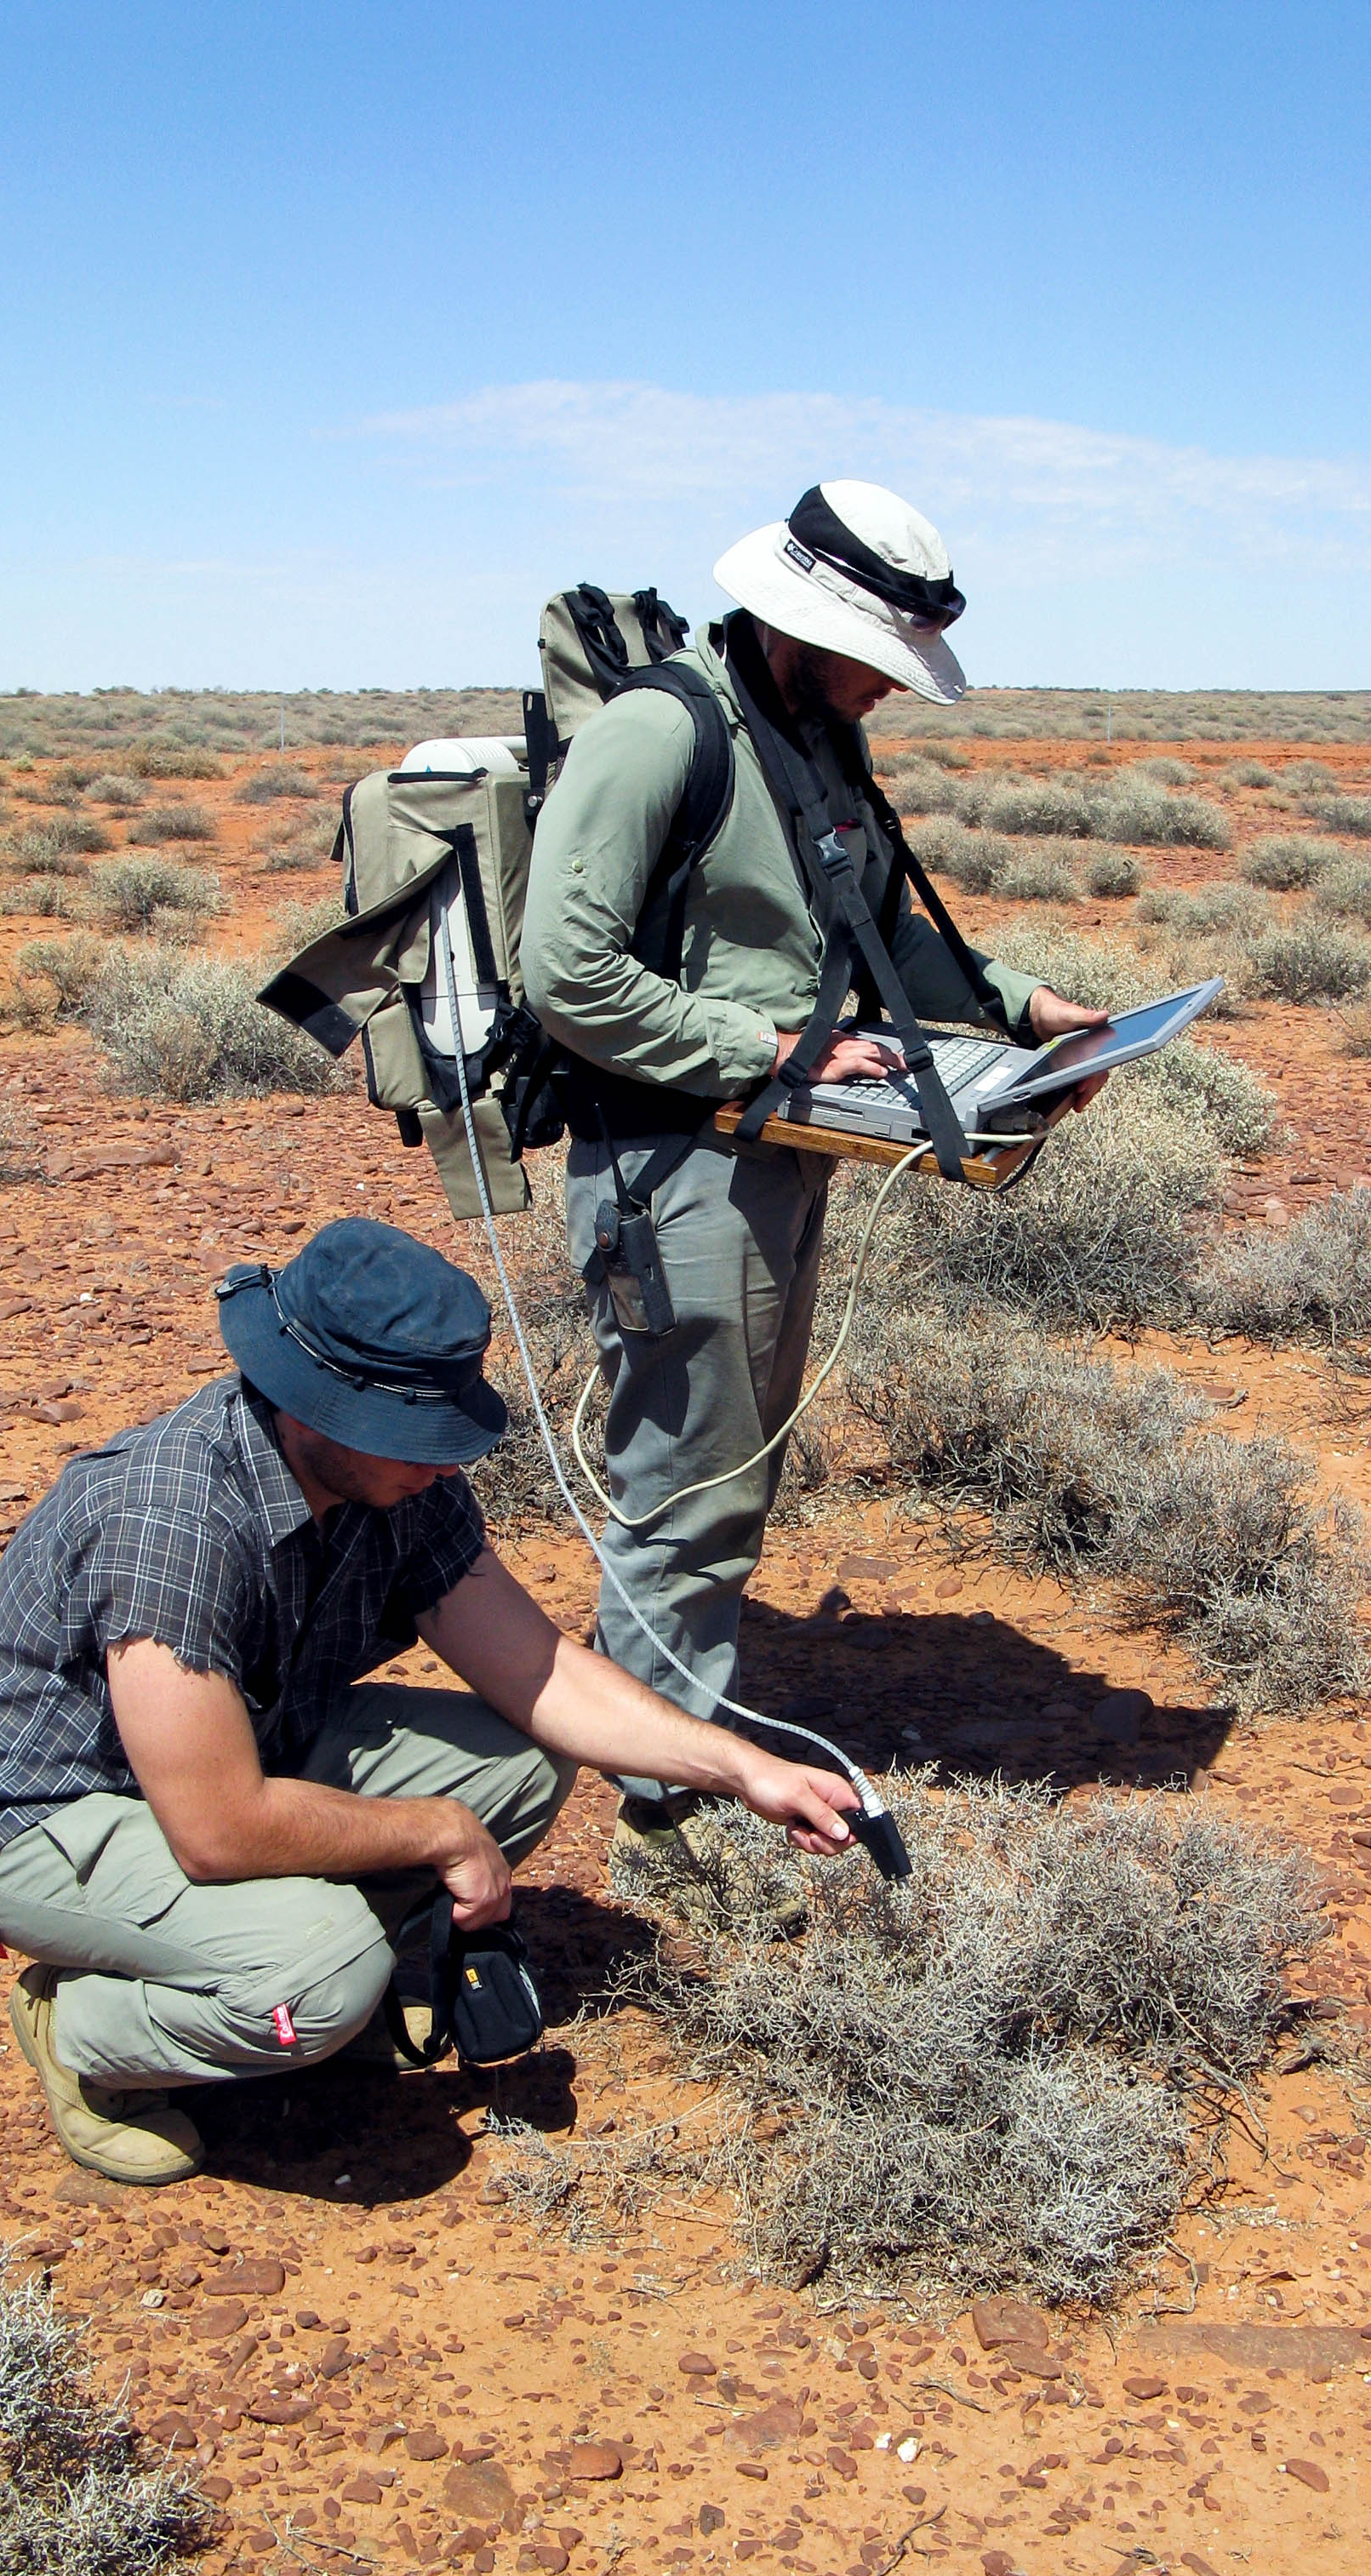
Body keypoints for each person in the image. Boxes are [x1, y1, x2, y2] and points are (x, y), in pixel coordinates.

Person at [0, 1220, 860, 2187]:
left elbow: (543, 1675)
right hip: (50, 1816)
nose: (442, 1461)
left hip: (238, 1761)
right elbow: (216, 1829)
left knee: (522, 1763)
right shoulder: (174, 1517)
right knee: (322, 1976)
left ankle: (282, 1964)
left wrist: (744, 1766)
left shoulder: (401, 1486)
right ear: (311, 1407)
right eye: (412, 1432)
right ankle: (82, 2029)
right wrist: (436, 1832)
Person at [521, 478, 1106, 1869]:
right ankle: (661, 1814)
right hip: (677, 1165)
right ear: (798, 623)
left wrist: (1024, 1009)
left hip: (782, 1143)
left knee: (725, 1474)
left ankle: (673, 1741)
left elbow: (881, 929)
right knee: (687, 1485)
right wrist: (767, 1042)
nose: (886, 693)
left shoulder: (812, 731)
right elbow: (567, 969)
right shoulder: (661, 734)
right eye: (877, 662)